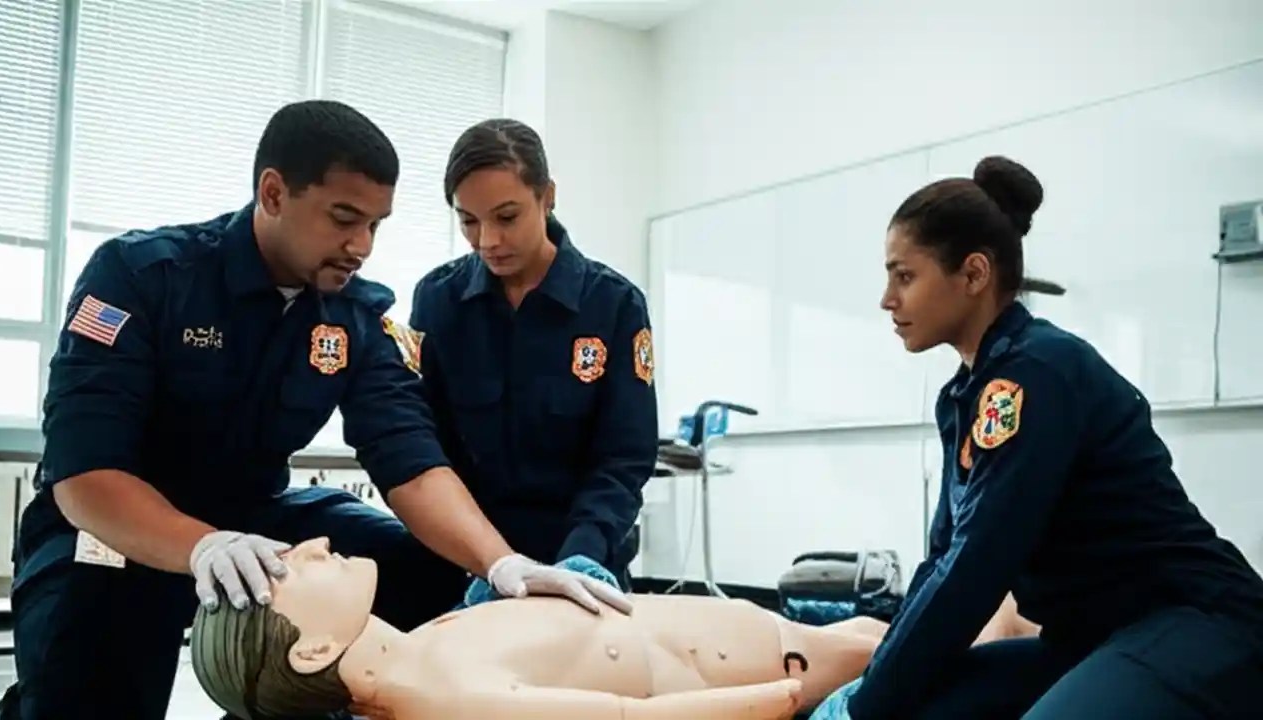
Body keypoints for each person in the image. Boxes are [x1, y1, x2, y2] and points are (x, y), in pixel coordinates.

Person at [0, 100, 628, 720]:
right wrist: (204, 545)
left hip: (256, 514)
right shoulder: (142, 276)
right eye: (344, 219)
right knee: (86, 692)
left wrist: (502, 563)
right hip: (112, 530)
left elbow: (408, 457)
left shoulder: (355, 315)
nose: (362, 246)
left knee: (437, 579)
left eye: (376, 225)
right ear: (273, 193)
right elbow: (85, 477)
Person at [832, 155, 1263, 718]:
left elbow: (975, 567)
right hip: (1089, 638)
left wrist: (869, 707)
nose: (887, 299)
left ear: (973, 275)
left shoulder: (1035, 374)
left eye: (904, 275)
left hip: (1191, 623)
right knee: (916, 705)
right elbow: (942, 559)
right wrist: (875, 684)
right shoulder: (964, 398)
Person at [193, 537, 1039, 719]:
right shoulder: (444, 698)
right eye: (289, 573)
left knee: (995, 605)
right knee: (1006, 628)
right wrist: (784, 699)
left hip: (775, 633)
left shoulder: (430, 637)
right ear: (310, 646)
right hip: (794, 670)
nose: (308, 545)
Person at [397, 118, 659, 593]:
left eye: (507, 216)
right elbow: (422, 441)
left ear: (547, 196)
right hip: (466, 564)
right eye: (468, 221)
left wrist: (579, 560)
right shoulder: (438, 300)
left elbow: (623, 459)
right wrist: (486, 559)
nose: (487, 241)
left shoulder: (614, 305)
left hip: (582, 558)